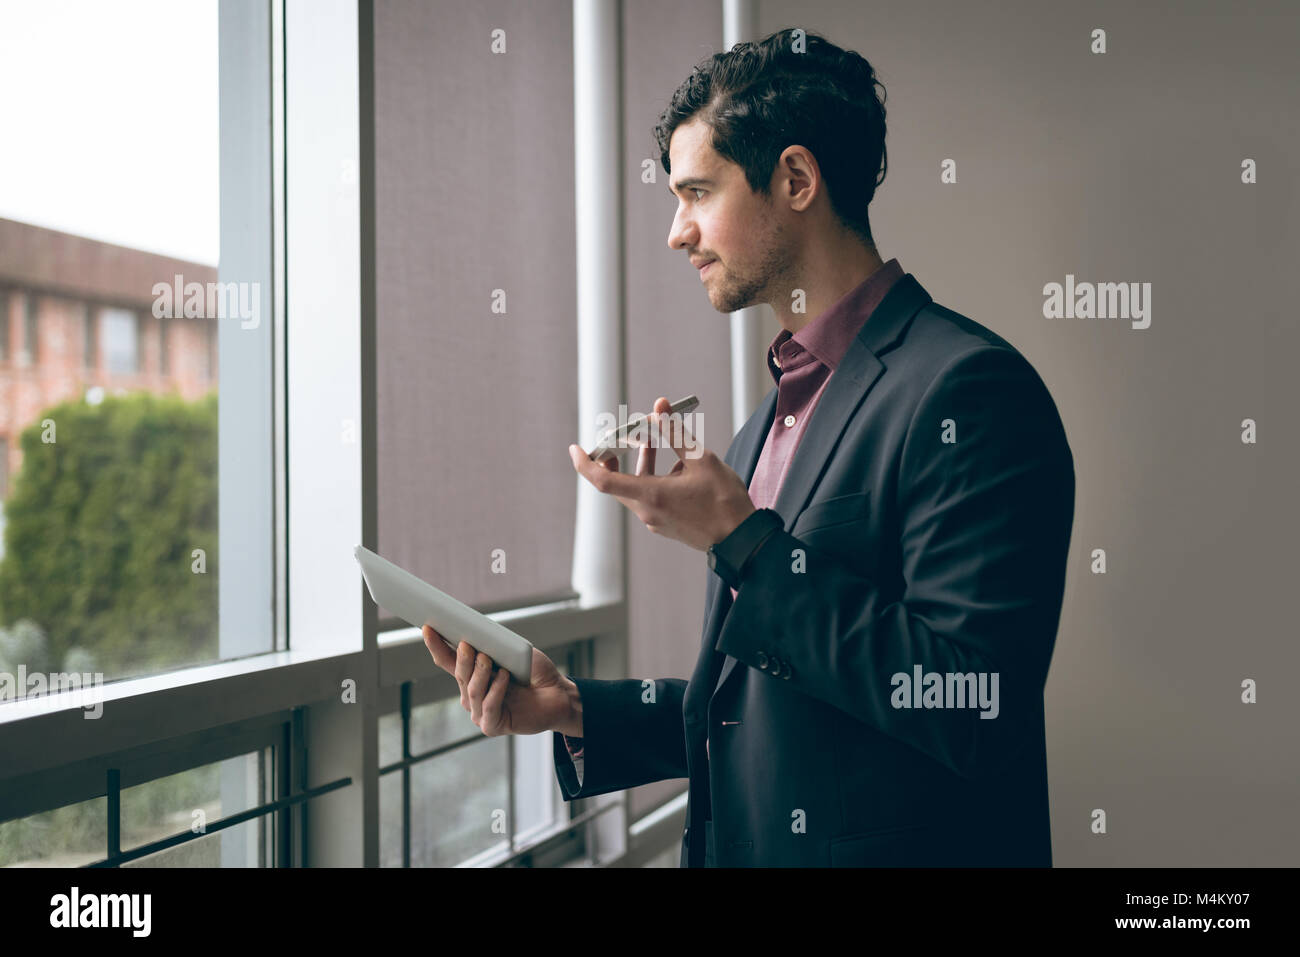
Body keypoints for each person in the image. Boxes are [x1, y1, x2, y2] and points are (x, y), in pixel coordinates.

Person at [423, 28, 1074, 867]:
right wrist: (573, 705)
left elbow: (974, 705)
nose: (676, 232)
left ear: (796, 179)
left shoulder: (971, 392)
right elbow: (760, 709)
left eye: (696, 192)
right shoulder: (764, 422)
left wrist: (744, 542)